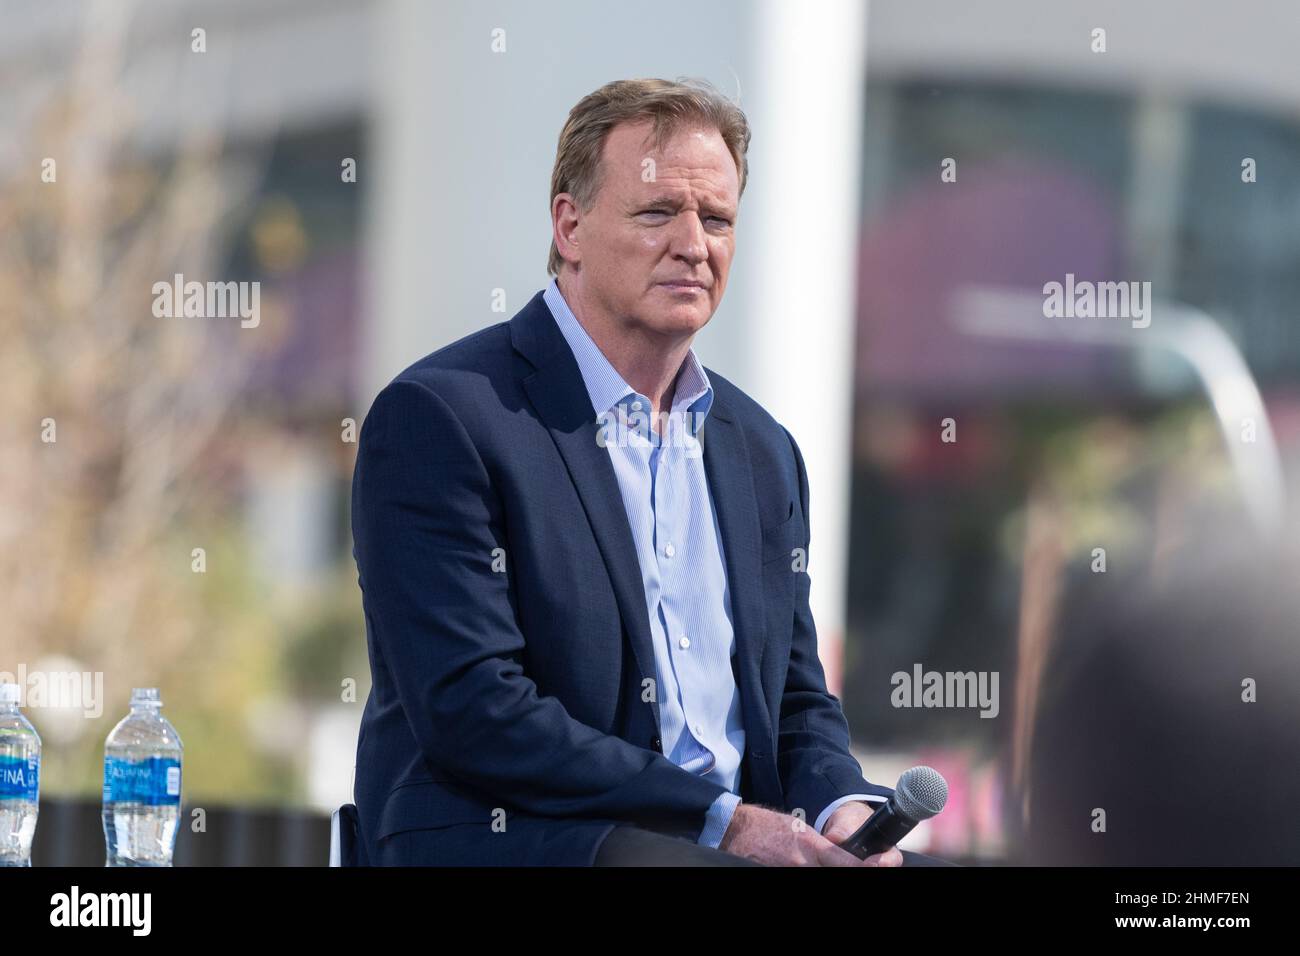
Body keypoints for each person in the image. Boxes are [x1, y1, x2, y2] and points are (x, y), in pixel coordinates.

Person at [351, 77, 947, 866]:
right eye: (659, 212)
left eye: (719, 219)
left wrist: (839, 810)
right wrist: (725, 822)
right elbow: (475, 710)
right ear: (570, 225)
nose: (694, 244)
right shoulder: (442, 417)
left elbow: (797, 703)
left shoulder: (762, 450)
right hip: (531, 840)